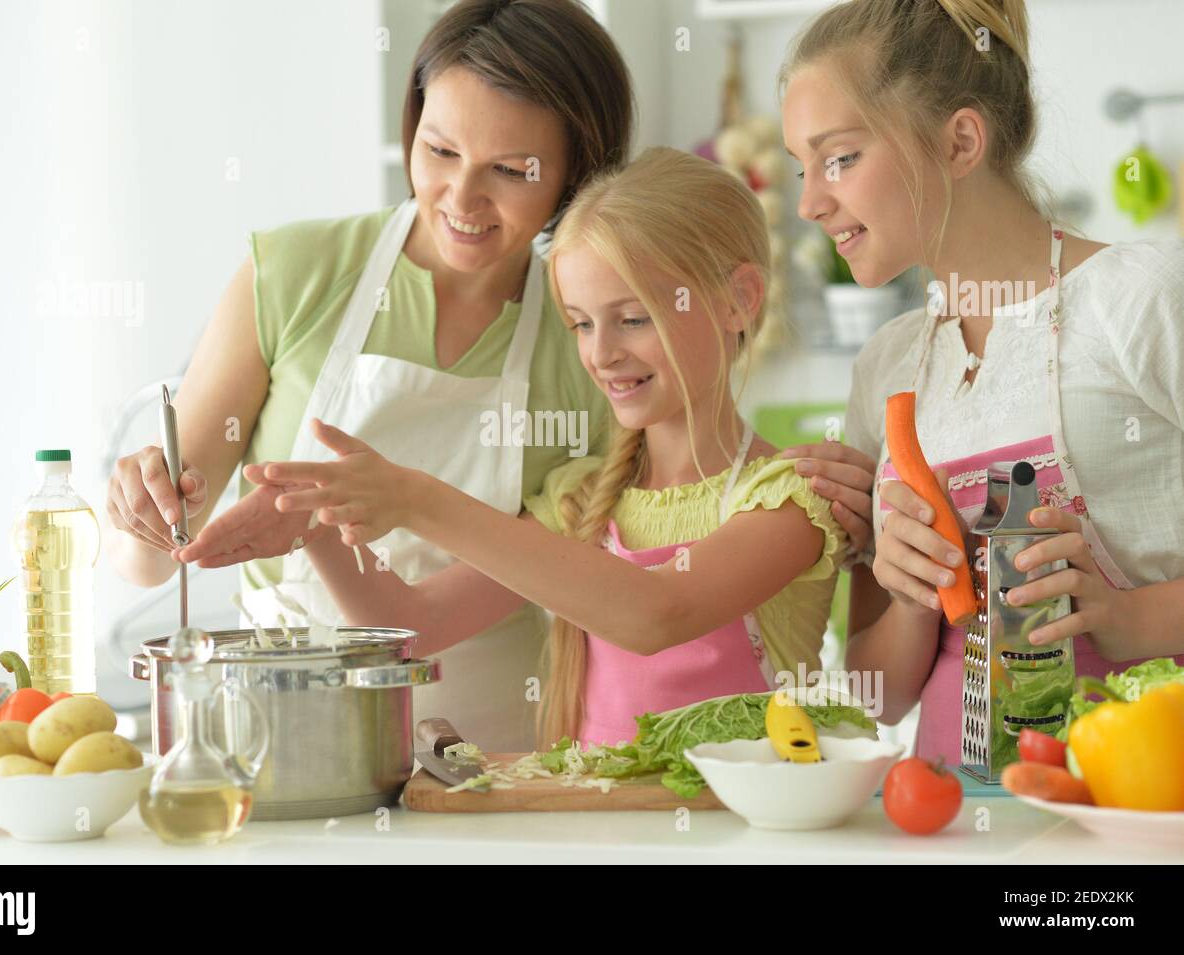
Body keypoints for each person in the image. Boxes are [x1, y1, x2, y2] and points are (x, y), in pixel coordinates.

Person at [176, 148, 848, 748]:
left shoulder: (787, 501)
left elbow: (655, 610)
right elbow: (413, 623)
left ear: (739, 300)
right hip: (597, 834)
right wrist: (313, 523)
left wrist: (415, 497)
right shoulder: (582, 497)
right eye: (581, 324)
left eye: (633, 318)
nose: (602, 353)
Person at [104, 0, 632, 752]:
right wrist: (137, 511)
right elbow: (152, 557)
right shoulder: (292, 275)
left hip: (495, 764)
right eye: (439, 151)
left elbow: (420, 623)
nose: (462, 199)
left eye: (511, 171)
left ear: (577, 172)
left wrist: (316, 520)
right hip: (277, 743)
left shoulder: (589, 339)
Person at [779, 0, 1184, 763]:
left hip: (1140, 804)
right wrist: (907, 601)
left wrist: (1129, 619)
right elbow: (879, 696)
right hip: (949, 811)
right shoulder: (889, 369)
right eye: (805, 168)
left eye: (839, 159)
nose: (809, 202)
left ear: (960, 140)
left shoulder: (1141, 298)